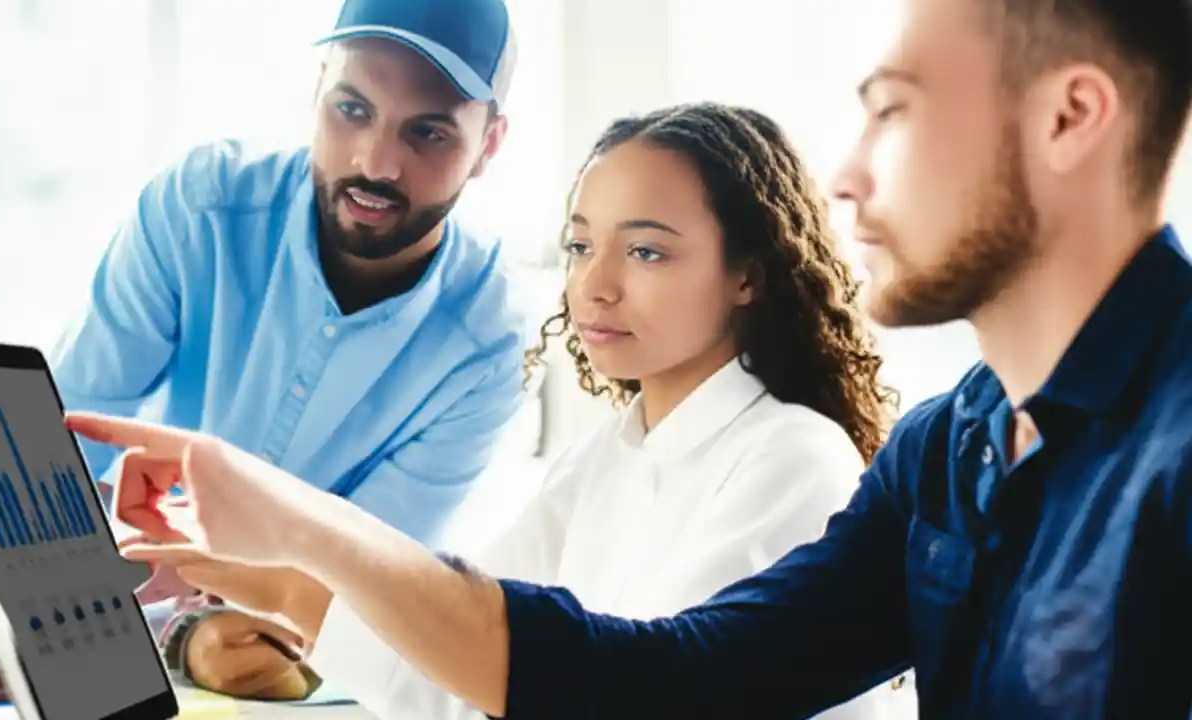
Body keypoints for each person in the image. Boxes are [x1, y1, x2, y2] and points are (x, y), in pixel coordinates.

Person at [70, 0, 1192, 717]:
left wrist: (296, 537)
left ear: (1068, 117)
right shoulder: (941, 455)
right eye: (578, 247)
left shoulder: (1166, 447)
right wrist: (266, 543)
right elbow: (663, 681)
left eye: (891, 113)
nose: (844, 177)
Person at [145, 103, 902, 718]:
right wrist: (251, 572)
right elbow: (452, 659)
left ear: (749, 277)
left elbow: (633, 697)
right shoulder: (605, 459)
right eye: (579, 247)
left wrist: (294, 543)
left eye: (645, 252)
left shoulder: (792, 459)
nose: (594, 285)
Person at [50, 0, 524, 562]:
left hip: (290, 643)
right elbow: (60, 442)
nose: (375, 164)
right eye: (352, 109)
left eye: (428, 133)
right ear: (319, 88)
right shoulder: (200, 212)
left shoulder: (486, 348)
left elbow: (370, 578)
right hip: (119, 603)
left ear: (487, 146)